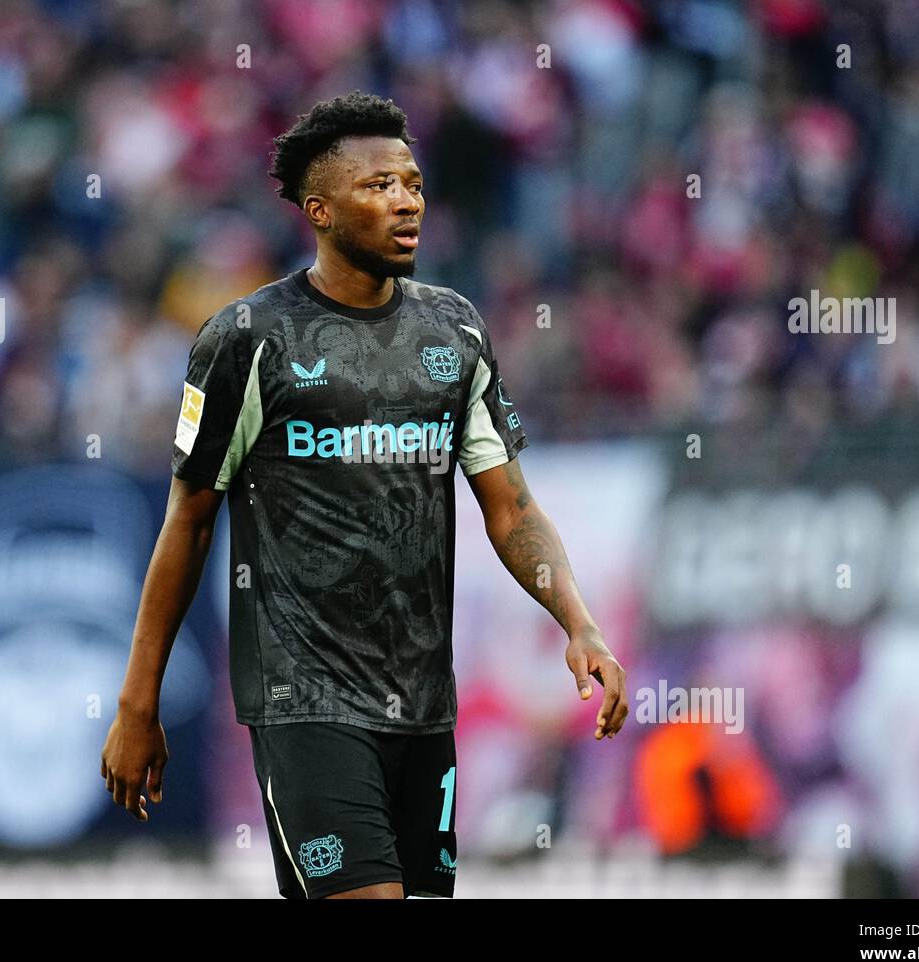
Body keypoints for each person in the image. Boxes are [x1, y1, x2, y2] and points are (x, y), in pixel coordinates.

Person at [101, 91, 627, 899]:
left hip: (423, 705)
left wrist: (578, 620)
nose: (406, 199)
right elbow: (190, 520)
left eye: (412, 182)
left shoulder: (454, 332)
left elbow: (511, 508)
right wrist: (139, 703)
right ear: (320, 208)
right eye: (378, 185)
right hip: (304, 700)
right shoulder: (249, 340)